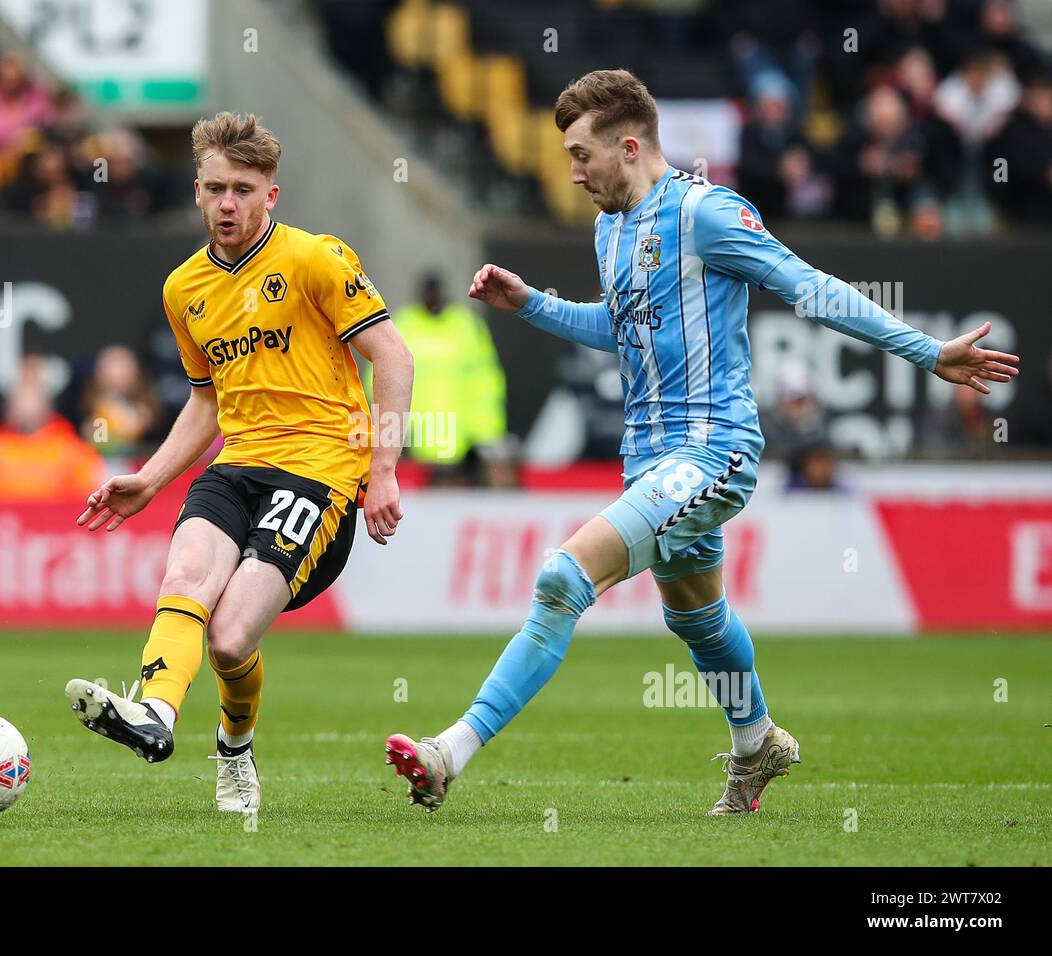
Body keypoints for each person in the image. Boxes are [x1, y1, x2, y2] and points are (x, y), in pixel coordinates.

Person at [385, 69, 1020, 816]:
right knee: (695, 617)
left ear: (629, 146)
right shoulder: (608, 226)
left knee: (563, 578)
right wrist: (532, 304)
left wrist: (925, 352)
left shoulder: (706, 214)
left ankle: (449, 752)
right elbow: (618, 331)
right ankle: (756, 743)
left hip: (713, 451)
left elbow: (807, 285)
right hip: (648, 459)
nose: (572, 171)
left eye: (581, 154)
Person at [64, 112, 414, 814]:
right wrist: (151, 478)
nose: (229, 204)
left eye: (244, 190)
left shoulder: (315, 259)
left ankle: (234, 751)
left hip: (319, 471)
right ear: (196, 191)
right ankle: (155, 716)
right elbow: (205, 403)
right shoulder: (183, 289)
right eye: (217, 188)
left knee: (229, 639)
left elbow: (393, 356)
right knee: (186, 574)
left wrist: (381, 470)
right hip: (237, 466)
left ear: (271, 196)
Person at [388, 272, 507, 484]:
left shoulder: (466, 325)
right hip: (416, 444)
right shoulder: (404, 324)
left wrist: (486, 434)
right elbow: (382, 378)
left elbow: (485, 381)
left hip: (463, 447)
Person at [0, 378, 105, 501]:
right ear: (8, 409)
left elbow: (89, 500)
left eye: (33, 402)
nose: (27, 409)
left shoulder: (75, 452)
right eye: (21, 402)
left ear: (48, 408)